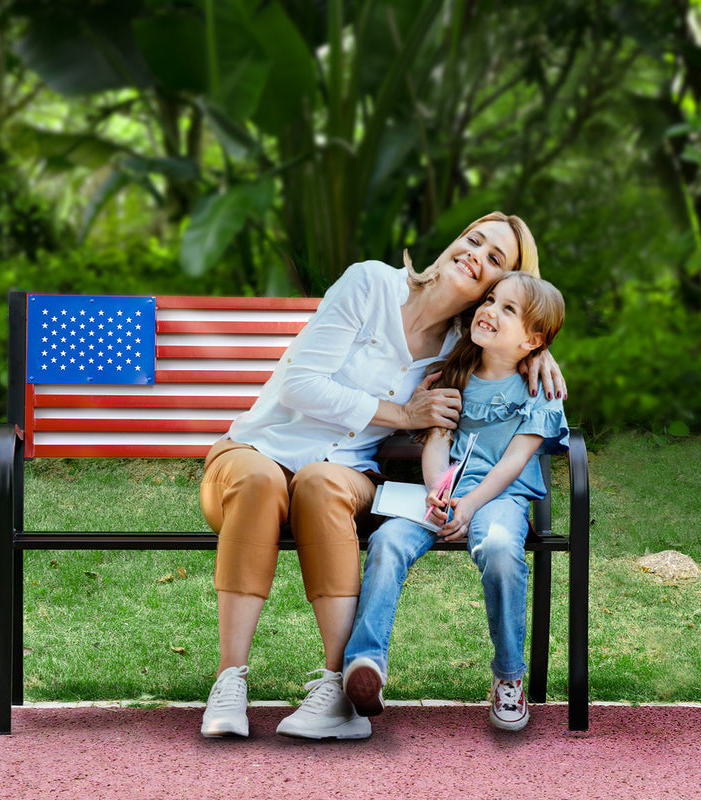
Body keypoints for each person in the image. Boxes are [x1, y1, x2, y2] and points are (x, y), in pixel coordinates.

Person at [198, 212, 565, 740]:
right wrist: (404, 416)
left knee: (322, 482)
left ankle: (337, 693)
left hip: (342, 474)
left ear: (499, 286)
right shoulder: (370, 282)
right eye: (473, 240)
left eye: (493, 260)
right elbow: (300, 385)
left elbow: (517, 337)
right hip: (256, 453)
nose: (474, 256)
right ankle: (229, 681)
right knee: (260, 480)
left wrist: (544, 353)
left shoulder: (462, 344)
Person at [342, 271, 569, 732]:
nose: (489, 310)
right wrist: (437, 492)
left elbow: (513, 462)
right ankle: (364, 665)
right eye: (490, 299)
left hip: (500, 497)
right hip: (445, 494)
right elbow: (437, 442)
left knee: (502, 547)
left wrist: (470, 506)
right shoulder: (455, 375)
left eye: (508, 309)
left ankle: (509, 678)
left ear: (533, 339)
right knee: (388, 541)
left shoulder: (538, 390)